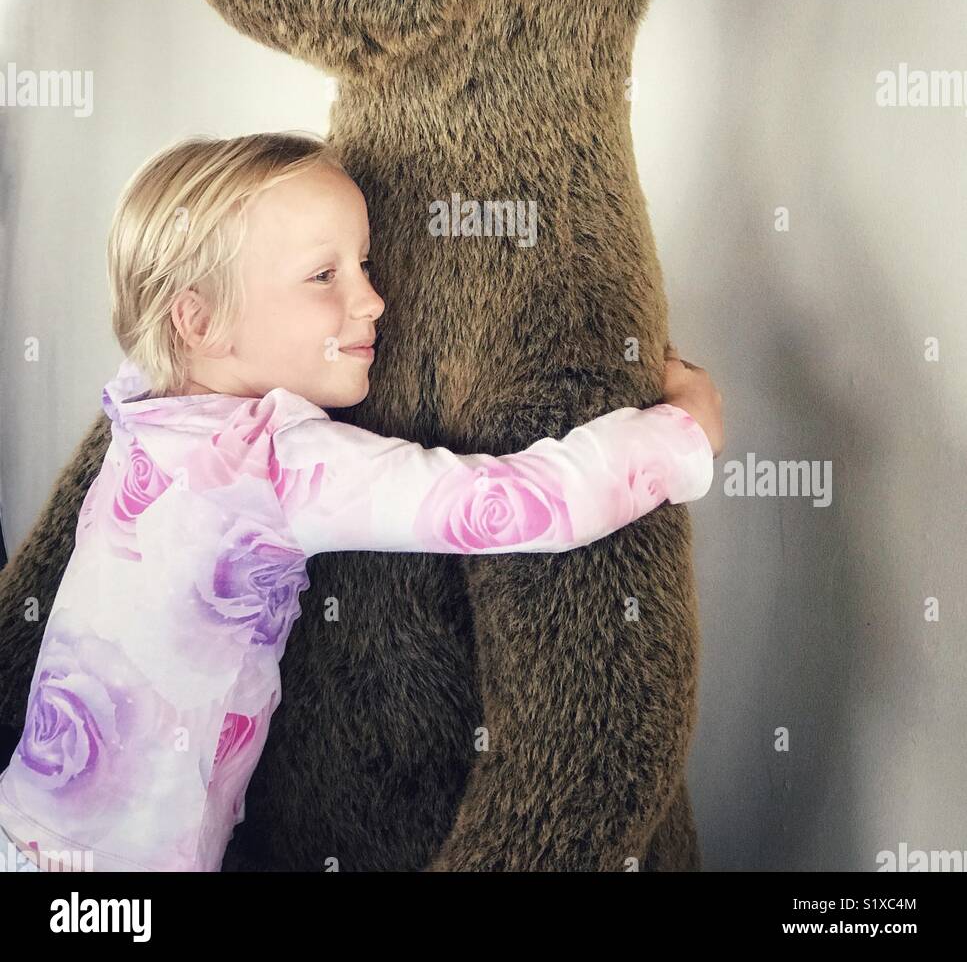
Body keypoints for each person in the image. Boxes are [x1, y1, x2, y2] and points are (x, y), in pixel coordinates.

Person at [0, 132, 723, 873]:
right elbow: (508, 503)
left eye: (365, 264)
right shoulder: (275, 463)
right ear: (198, 322)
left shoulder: (145, 406)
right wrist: (679, 433)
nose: (373, 299)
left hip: (24, 819)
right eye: (323, 276)